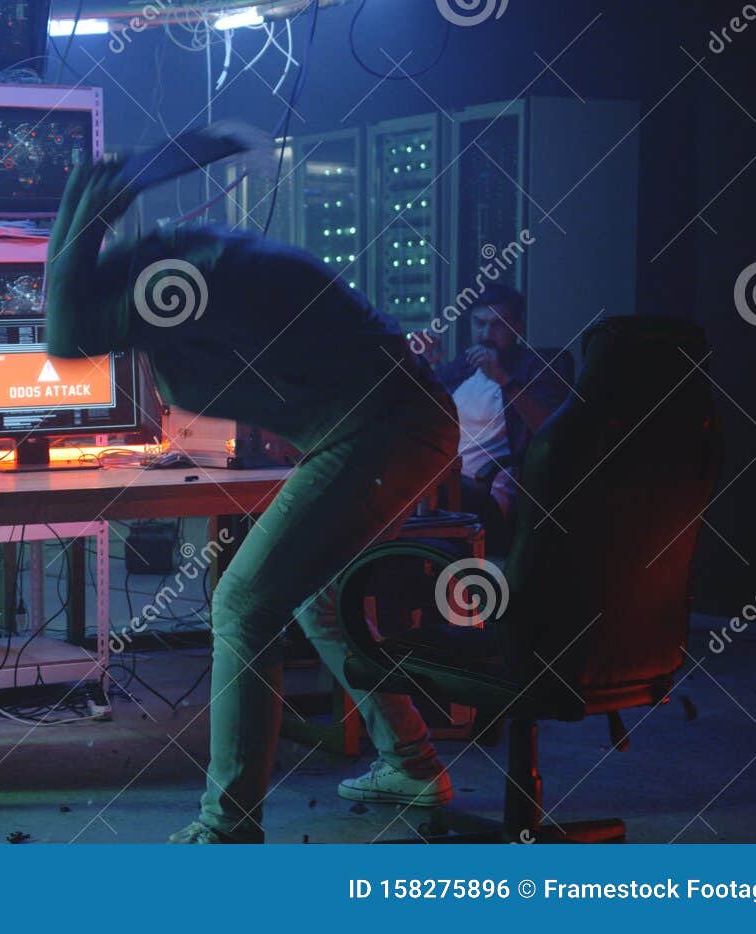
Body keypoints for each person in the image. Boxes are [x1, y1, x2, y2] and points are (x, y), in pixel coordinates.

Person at [47, 159, 461, 843]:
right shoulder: (190, 274)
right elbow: (71, 324)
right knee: (315, 599)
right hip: (377, 431)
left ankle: (228, 829)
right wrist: (85, 213)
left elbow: (64, 334)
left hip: (385, 432)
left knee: (244, 602)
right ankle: (413, 766)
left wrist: (84, 211)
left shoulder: (200, 280)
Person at [432, 285, 571, 552]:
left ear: (518, 328)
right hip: (445, 480)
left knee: (416, 485)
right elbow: (420, 415)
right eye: (479, 323)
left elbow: (553, 433)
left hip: (489, 493)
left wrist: (503, 380)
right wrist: (423, 367)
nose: (486, 334)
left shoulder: (537, 368)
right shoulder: (462, 367)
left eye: (498, 325)